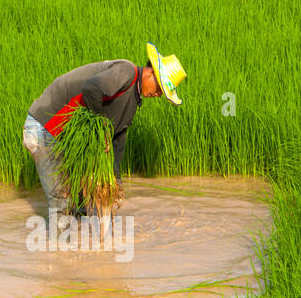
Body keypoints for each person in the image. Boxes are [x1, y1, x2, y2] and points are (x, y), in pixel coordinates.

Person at [22, 43, 186, 214]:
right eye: (160, 88)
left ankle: (82, 239)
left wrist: (116, 182)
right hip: (44, 126)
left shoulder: (132, 103)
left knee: (82, 203)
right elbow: (91, 89)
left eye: (162, 93)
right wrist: (102, 131)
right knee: (61, 200)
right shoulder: (126, 72)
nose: (158, 94)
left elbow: (117, 143)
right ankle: (60, 240)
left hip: (62, 138)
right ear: (150, 73)